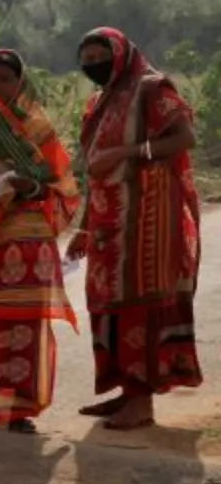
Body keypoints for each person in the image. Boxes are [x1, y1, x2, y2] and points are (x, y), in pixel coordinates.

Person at [70, 26, 202, 430]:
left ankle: (142, 402)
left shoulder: (151, 89)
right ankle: (126, 391)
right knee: (107, 302)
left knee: (139, 303)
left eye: (101, 57)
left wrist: (128, 152)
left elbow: (184, 137)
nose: (95, 66)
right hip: (110, 222)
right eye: (87, 62)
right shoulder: (100, 100)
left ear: (121, 52)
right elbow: (97, 167)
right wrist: (85, 225)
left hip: (147, 219)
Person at [0, 50, 79, 434]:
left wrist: (32, 185)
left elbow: (63, 184)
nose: (0, 87)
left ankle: (20, 407)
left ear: (20, 81)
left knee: (26, 325)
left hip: (29, 235)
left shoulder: (38, 125)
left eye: (7, 79)